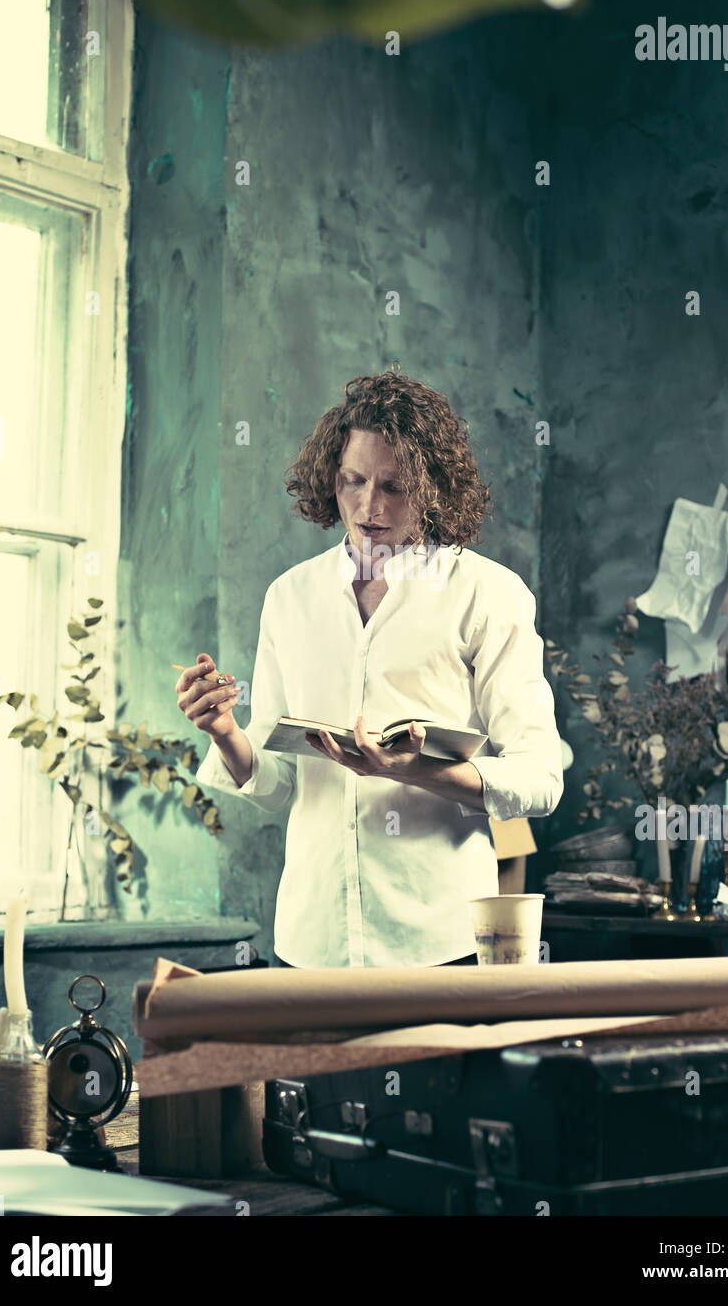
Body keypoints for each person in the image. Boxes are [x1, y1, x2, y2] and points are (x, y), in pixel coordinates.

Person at [175, 369, 563, 967]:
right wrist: (225, 732)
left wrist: (417, 771)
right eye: (352, 481)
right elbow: (277, 780)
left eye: (394, 487)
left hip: (439, 944)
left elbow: (539, 779)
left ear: (433, 488)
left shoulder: (488, 593)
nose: (368, 507)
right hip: (311, 942)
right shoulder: (289, 597)